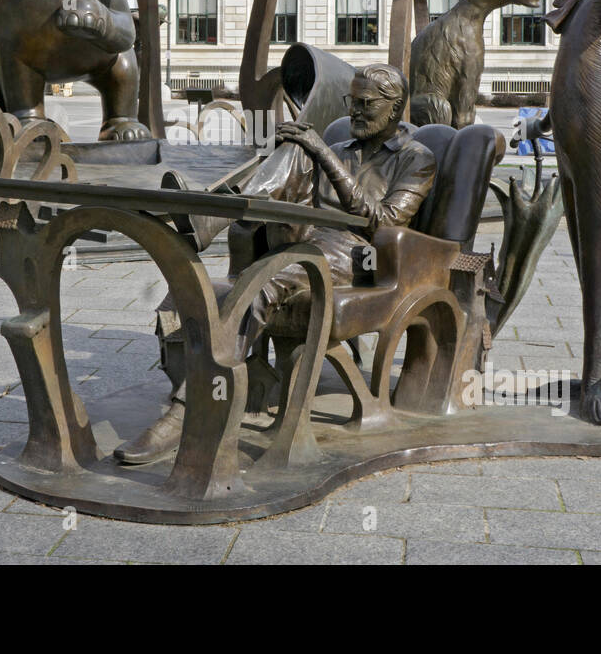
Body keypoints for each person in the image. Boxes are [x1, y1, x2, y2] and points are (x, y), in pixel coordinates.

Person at [115, 63, 436, 464]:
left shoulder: (416, 159)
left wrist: (324, 157)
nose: (354, 111)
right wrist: (308, 152)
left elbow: (383, 223)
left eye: (364, 103)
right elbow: (299, 198)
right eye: (350, 102)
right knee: (293, 148)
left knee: (261, 284)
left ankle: (187, 411)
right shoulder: (340, 150)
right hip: (308, 241)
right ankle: (210, 217)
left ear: (394, 107)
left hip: (358, 254)